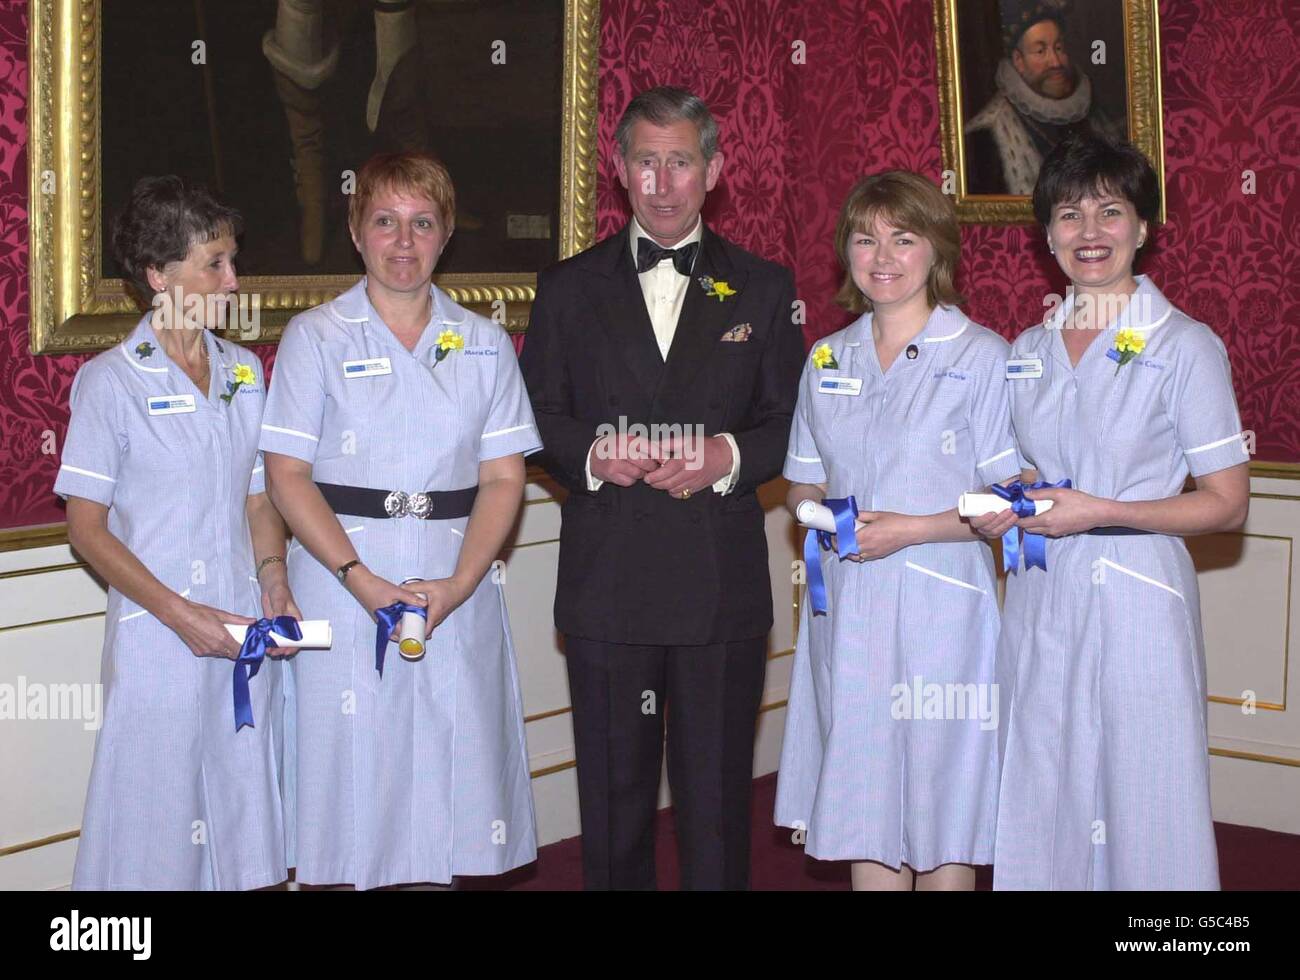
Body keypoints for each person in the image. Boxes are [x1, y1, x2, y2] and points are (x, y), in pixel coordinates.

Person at [520, 85, 804, 890]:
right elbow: (534, 414)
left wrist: (726, 457)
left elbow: (793, 424)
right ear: (620, 170)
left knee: (718, 803)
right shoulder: (567, 287)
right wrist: (590, 455)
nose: (663, 183)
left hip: (719, 583)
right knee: (612, 806)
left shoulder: (764, 285)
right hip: (609, 581)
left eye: (680, 162)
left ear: (713, 170)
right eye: (647, 163)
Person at [974, 132, 1250, 889]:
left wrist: (1098, 511)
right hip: (1041, 593)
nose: (1088, 233)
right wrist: (1011, 501)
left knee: (1146, 791)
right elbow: (1037, 466)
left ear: (1144, 227)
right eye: (1068, 214)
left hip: (1139, 596)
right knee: (1046, 776)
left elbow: (1226, 504)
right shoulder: (1027, 346)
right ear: (1046, 235)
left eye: (1109, 211)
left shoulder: (1185, 346)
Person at [259, 151, 540, 889]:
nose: (404, 241)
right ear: (356, 231)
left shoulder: (482, 341)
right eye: (385, 221)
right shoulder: (315, 338)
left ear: (446, 235)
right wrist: (359, 578)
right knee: (348, 791)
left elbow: (504, 478)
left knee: (443, 789)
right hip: (339, 580)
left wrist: (459, 583)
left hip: (455, 584)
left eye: (422, 223)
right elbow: (286, 476)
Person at [774, 171, 1018, 891]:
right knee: (864, 794)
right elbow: (802, 478)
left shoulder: (982, 357)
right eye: (864, 237)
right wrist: (811, 511)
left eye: (902, 238)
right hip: (849, 609)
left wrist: (913, 529)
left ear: (935, 248)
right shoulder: (826, 357)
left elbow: (1008, 499)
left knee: (945, 803)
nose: (882, 255)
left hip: (947, 608)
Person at [55, 176, 296, 890]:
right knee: (152, 813)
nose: (233, 277)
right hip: (156, 632)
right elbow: (86, 530)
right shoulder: (109, 383)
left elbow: (259, 500)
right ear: (160, 277)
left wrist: (275, 577)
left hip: (242, 623)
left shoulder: (244, 371)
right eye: (214, 263)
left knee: (241, 799)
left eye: (231, 260)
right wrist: (178, 614)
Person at [965, 0, 1119, 195]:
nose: (1055, 62)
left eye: (1059, 48)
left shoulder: (1088, 112)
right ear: (1018, 61)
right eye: (1040, 51)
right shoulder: (986, 133)